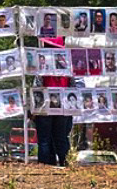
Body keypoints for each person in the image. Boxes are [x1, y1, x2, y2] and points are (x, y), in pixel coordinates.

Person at [36, 32, 72, 167]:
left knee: (44, 139)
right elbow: (73, 85)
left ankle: (45, 165)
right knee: (61, 137)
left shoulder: (42, 64)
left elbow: (37, 84)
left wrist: (34, 107)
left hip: (45, 107)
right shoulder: (68, 65)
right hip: (62, 106)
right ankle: (64, 162)